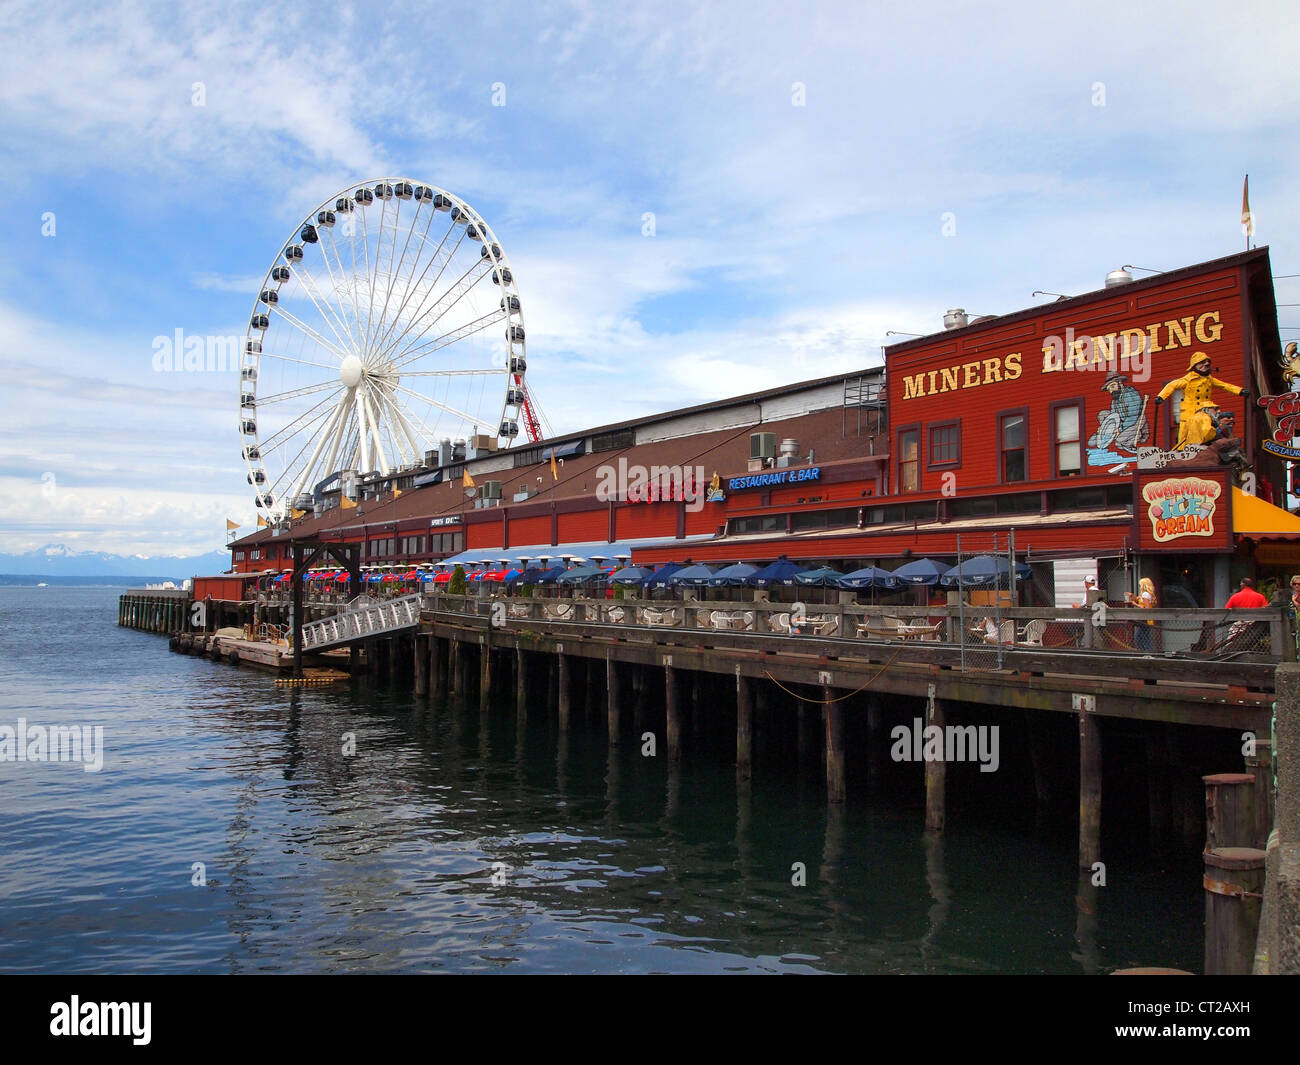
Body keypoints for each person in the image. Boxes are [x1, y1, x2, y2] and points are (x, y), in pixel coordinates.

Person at [1155, 351, 1249, 450]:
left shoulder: (1209, 380)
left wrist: (1240, 391)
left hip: (1205, 409)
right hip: (1189, 410)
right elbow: (1171, 385)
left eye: (1207, 363)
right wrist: (1161, 397)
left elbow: (1225, 386)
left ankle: (1205, 447)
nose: (1206, 365)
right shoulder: (1187, 380)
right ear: (1194, 365)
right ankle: (1182, 451)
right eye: (1202, 363)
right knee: (1185, 433)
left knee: (1207, 427)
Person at [1126, 577, 1157, 651]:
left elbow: (1147, 608)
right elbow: (1137, 600)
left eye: (1140, 585)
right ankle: (1146, 652)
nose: (1140, 587)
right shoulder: (1147, 594)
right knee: (1145, 637)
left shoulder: (1145, 594)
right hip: (1147, 619)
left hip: (1144, 619)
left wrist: (1135, 605)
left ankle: (1145, 653)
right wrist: (1132, 596)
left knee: (1140, 639)